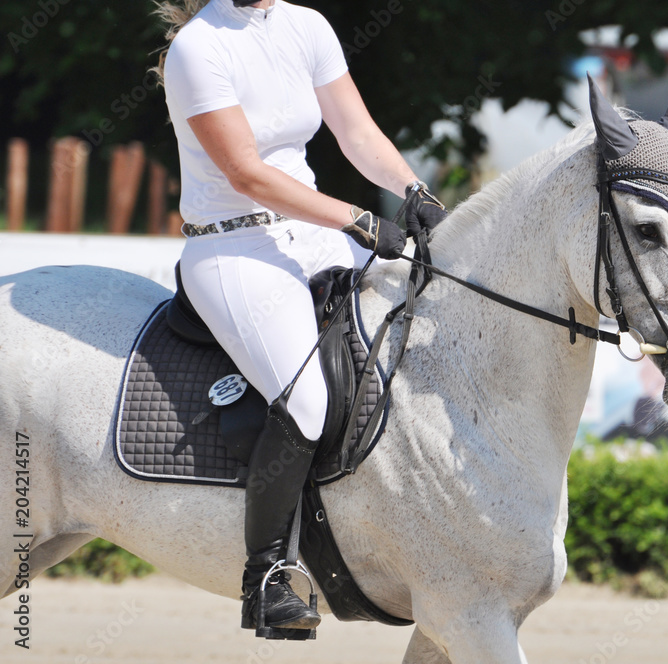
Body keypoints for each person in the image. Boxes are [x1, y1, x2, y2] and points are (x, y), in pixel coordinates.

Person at [154, 0, 446, 633]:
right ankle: (265, 579)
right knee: (307, 400)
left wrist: (413, 190)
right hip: (233, 246)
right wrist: (357, 219)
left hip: (311, 233)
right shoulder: (199, 47)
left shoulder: (306, 25)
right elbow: (247, 174)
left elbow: (357, 134)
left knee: (423, 317)